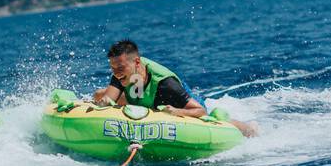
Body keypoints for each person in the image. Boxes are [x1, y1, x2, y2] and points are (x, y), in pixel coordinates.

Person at [93, 39, 258, 137]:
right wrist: (102, 104)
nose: (116, 73)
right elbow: (109, 99)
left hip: (174, 103)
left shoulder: (166, 84)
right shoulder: (120, 73)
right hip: (144, 98)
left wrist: (178, 112)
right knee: (99, 94)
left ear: (136, 62)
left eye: (120, 68)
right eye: (113, 68)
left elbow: (200, 110)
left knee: (211, 119)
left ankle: (248, 128)